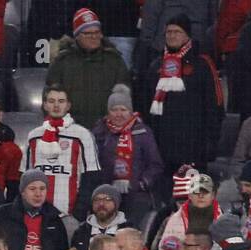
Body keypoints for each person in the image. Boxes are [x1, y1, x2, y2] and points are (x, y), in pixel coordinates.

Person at [143, 15, 222, 177]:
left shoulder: (202, 64)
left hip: (194, 146)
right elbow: (145, 104)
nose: (172, 35)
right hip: (162, 146)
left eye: (177, 32)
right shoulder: (156, 65)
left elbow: (215, 104)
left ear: (187, 35)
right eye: (168, 32)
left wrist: (210, 142)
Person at [44, 8, 131, 130]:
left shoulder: (114, 61)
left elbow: (125, 100)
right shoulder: (62, 62)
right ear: (77, 36)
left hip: (107, 132)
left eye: (97, 32)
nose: (94, 37)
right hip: (70, 131)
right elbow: (49, 99)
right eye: (88, 33)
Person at [22, 85, 98, 218]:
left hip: (68, 215)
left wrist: (78, 213)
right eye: (51, 101)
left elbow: (91, 177)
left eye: (61, 101)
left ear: (68, 105)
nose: (56, 105)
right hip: (36, 215)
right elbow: (24, 176)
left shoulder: (82, 135)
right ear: (45, 105)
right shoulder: (34, 136)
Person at [91, 86, 162, 225]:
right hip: (106, 193)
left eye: (123, 110)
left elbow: (156, 165)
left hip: (137, 193)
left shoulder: (143, 132)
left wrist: (139, 184)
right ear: (108, 112)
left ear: (130, 111)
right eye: (114, 109)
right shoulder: (99, 132)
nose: (119, 114)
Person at [70, 184, 128, 250]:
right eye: (96, 199)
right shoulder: (81, 231)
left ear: (116, 204)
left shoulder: (128, 230)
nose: (101, 204)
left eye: (107, 199)